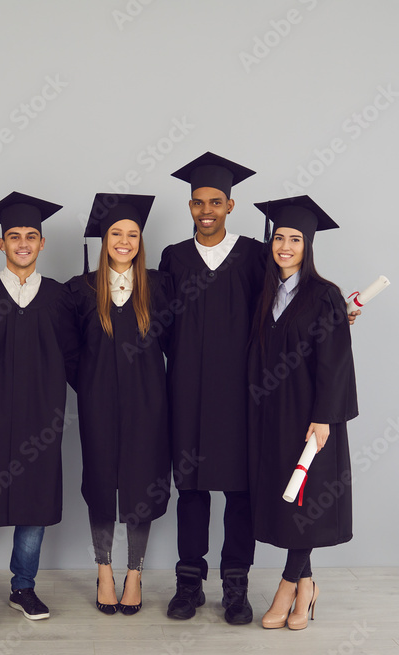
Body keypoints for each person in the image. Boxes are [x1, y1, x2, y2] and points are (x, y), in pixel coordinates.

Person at [0, 192, 76, 633]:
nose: (22, 243)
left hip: (42, 420)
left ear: (42, 243)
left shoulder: (60, 298)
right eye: (14, 236)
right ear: (1, 243)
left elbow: (76, 358)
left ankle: (23, 587)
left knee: (34, 506)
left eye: (31, 236)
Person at [157, 152, 267, 625]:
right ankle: (189, 585)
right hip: (187, 392)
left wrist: (334, 313)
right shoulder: (174, 257)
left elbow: (281, 313)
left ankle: (236, 587)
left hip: (244, 396)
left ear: (231, 205)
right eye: (198, 202)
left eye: (215, 202)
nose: (206, 210)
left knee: (240, 492)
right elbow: (157, 324)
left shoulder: (256, 256)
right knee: (193, 491)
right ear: (190, 206)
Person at [247, 195, 357, 631]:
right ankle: (308, 589)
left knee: (305, 503)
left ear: (308, 246)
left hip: (311, 417)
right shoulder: (265, 293)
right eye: (279, 238)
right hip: (272, 415)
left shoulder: (324, 296)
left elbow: (335, 362)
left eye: (295, 239)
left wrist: (325, 417)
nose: (286, 246)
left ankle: (288, 585)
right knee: (288, 502)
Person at [63, 193, 171, 616]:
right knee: (103, 485)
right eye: (115, 233)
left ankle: (135, 573)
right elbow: (69, 352)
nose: (124, 241)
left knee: (142, 485)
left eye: (132, 234)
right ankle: (104, 569)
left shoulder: (160, 286)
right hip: (99, 404)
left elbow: (184, 340)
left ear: (140, 240)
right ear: (103, 238)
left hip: (150, 404)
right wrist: (92, 386)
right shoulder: (81, 289)